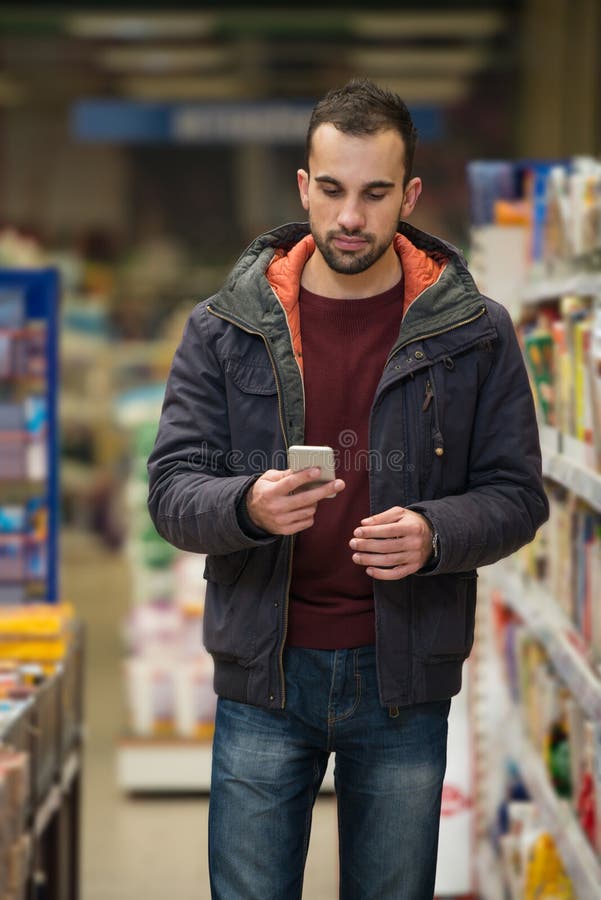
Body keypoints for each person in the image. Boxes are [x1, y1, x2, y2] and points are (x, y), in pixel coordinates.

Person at [147, 78, 548, 899]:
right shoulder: (224, 328)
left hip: (401, 678)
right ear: (303, 187)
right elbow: (170, 489)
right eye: (330, 191)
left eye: (373, 194)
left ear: (410, 195)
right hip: (265, 676)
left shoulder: (474, 333)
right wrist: (245, 507)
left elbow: (517, 494)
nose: (349, 218)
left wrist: (436, 532)